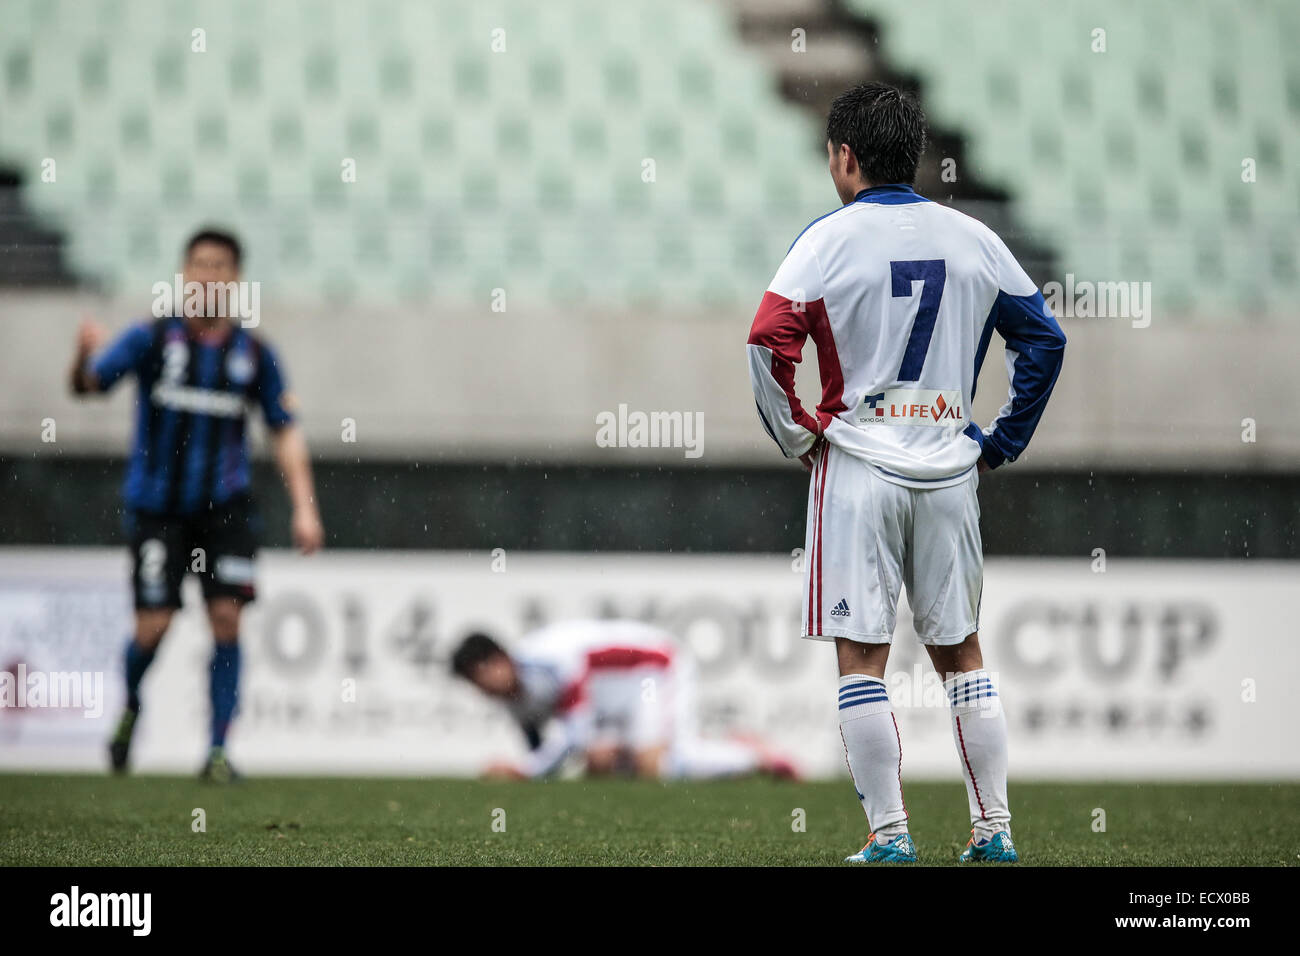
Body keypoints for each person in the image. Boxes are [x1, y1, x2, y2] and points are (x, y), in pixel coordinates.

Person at [746, 83, 1066, 862]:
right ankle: (994, 833)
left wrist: (798, 436)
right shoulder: (973, 238)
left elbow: (766, 339)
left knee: (862, 659)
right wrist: (1000, 442)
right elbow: (1046, 341)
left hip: (859, 467)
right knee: (962, 653)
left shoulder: (827, 240)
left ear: (845, 157)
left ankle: (890, 838)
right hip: (950, 469)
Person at [69, 227, 324, 782]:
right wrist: (82, 355)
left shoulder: (254, 354)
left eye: (221, 266)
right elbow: (89, 386)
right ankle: (132, 704)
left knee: (227, 618)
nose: (209, 275)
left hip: (225, 510)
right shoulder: (151, 339)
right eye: (200, 264)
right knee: (153, 627)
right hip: (158, 510)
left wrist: (305, 506)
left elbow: (285, 430)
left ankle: (215, 751)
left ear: (235, 280)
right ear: (184, 274)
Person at [450, 619, 795, 780]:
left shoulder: (553, 662)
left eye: (479, 676)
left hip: (653, 669)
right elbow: (543, 748)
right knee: (603, 767)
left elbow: (572, 738)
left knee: (656, 766)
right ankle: (719, 748)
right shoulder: (511, 693)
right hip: (614, 696)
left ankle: (754, 757)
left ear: (499, 660)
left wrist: (523, 772)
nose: (482, 689)